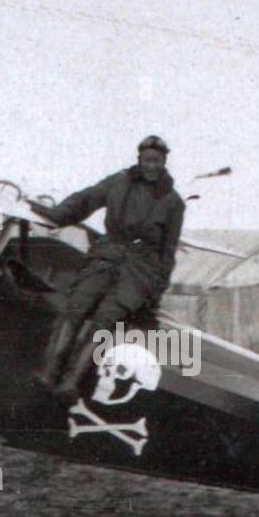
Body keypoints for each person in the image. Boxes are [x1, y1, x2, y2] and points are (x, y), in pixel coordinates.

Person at [30, 135, 186, 399]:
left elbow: (167, 253)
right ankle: (49, 372)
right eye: (147, 160)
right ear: (139, 159)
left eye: (157, 161)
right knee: (73, 310)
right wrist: (57, 214)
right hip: (105, 257)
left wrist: (154, 297)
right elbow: (87, 199)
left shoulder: (174, 203)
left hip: (138, 273)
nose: (151, 166)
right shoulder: (119, 181)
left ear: (164, 163)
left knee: (102, 324)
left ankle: (71, 381)